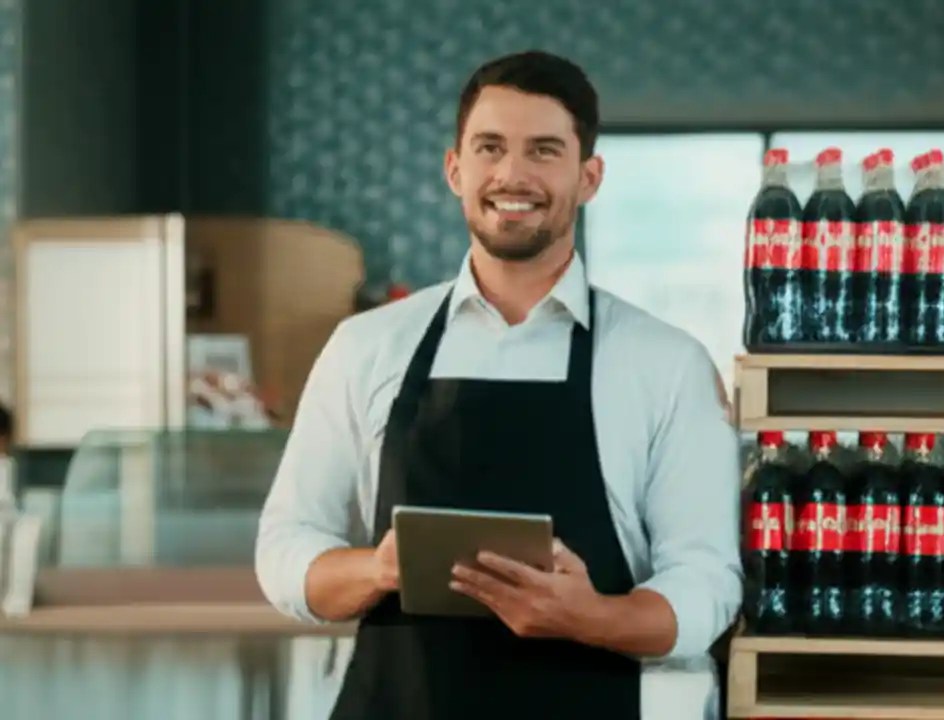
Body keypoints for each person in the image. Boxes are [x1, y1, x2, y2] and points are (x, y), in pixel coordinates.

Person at [255, 50, 743, 719]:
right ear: (456, 168)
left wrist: (591, 616)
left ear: (589, 176)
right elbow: (287, 550)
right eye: (490, 148)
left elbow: (708, 583)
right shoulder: (366, 348)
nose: (513, 174)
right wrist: (379, 570)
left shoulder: (667, 363)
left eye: (544, 150)